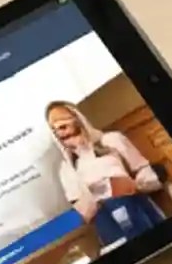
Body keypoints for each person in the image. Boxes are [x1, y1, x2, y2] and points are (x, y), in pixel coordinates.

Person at [45, 101, 165, 246]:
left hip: (135, 207)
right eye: (54, 127)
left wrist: (134, 185)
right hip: (106, 222)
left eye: (62, 119)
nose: (60, 128)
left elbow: (147, 172)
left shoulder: (111, 140)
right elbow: (82, 212)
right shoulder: (67, 169)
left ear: (77, 117)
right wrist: (94, 197)